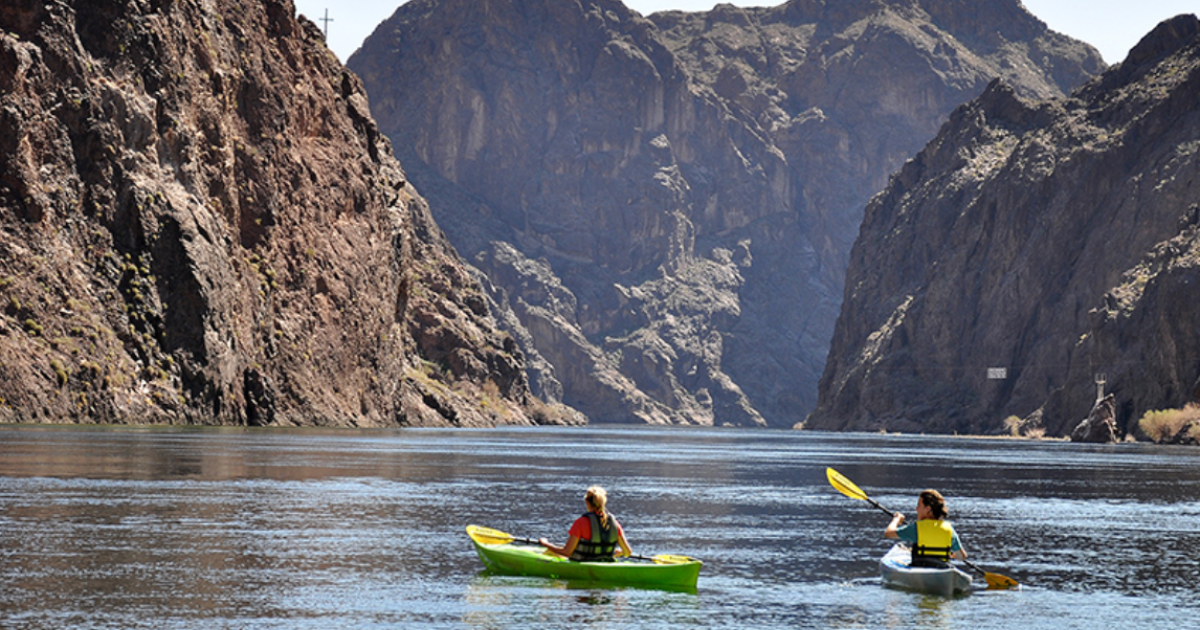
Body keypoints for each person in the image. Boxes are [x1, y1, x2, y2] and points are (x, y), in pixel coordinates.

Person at [539, 485, 633, 562]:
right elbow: (627, 552)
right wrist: (618, 553)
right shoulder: (615, 523)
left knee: (549, 552)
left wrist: (546, 544)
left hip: (582, 563)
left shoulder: (581, 522)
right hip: (604, 562)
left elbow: (567, 552)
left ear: (587, 502)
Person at [885, 489, 967, 568]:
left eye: (919, 506)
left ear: (928, 509)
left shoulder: (916, 528)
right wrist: (955, 556)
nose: (916, 509)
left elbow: (888, 533)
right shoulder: (949, 530)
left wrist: (896, 519)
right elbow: (962, 556)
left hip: (919, 567)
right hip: (941, 568)